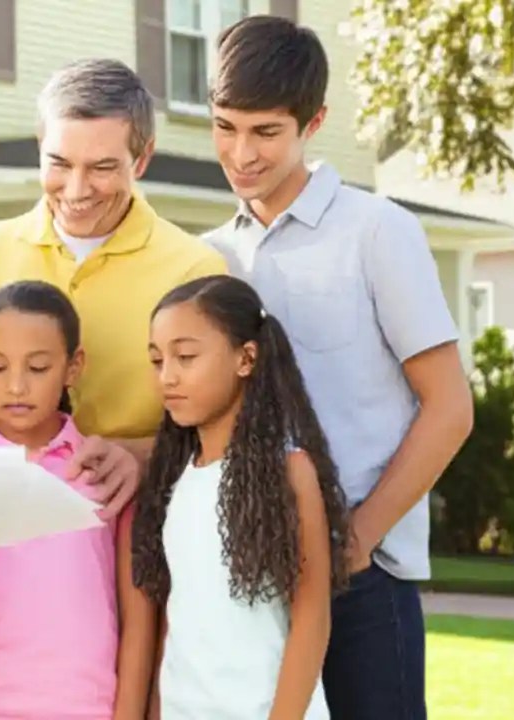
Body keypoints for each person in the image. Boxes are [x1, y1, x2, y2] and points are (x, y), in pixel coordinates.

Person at [201, 17, 475, 719]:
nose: (241, 153)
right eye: (226, 127)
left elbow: (450, 407)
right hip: (245, 582)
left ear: (314, 122)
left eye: (266, 132)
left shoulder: (379, 231)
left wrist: (358, 538)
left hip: (363, 581)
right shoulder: (208, 258)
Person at [0, 58, 229, 520]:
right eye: (59, 163)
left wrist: (140, 457)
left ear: (143, 158)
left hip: (139, 528)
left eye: (102, 167)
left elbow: (223, 423)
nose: (77, 189)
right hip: (0, 526)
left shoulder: (196, 270)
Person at [0, 280, 156, 720]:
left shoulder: (103, 473)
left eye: (37, 368)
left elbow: (138, 622)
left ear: (73, 367)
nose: (16, 386)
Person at [134, 274, 350, 719]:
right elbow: (176, 619)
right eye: (157, 360)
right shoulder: (173, 477)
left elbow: (312, 618)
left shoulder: (290, 472)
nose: (167, 376)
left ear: (246, 358)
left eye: (186, 357)